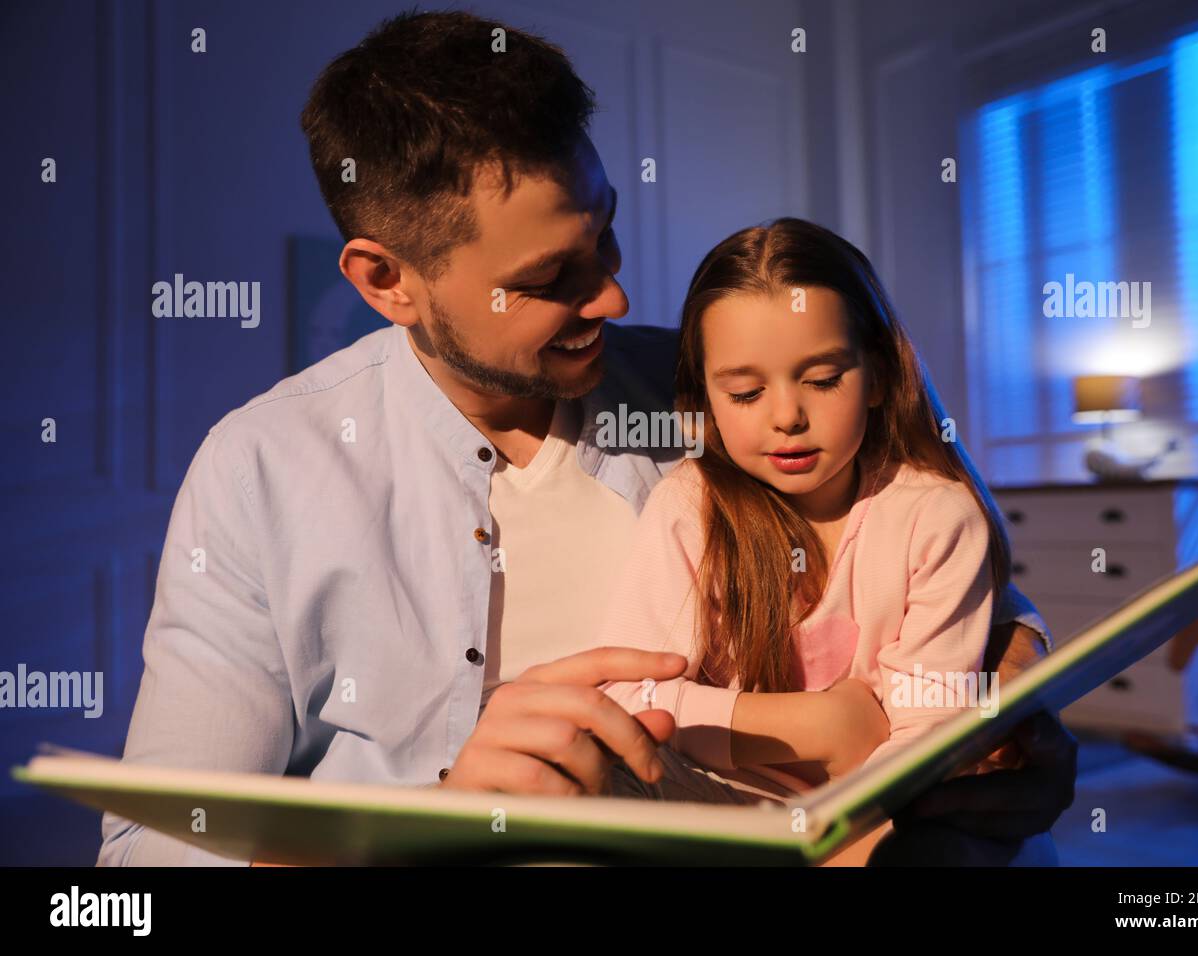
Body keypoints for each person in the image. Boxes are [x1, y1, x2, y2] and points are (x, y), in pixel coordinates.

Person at [98, 10, 1074, 867]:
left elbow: (945, 571)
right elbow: (150, 855)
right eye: (545, 279)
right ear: (386, 280)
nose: (614, 294)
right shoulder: (259, 470)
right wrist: (440, 823)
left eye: (603, 235)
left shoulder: (719, 389)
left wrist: (1017, 693)